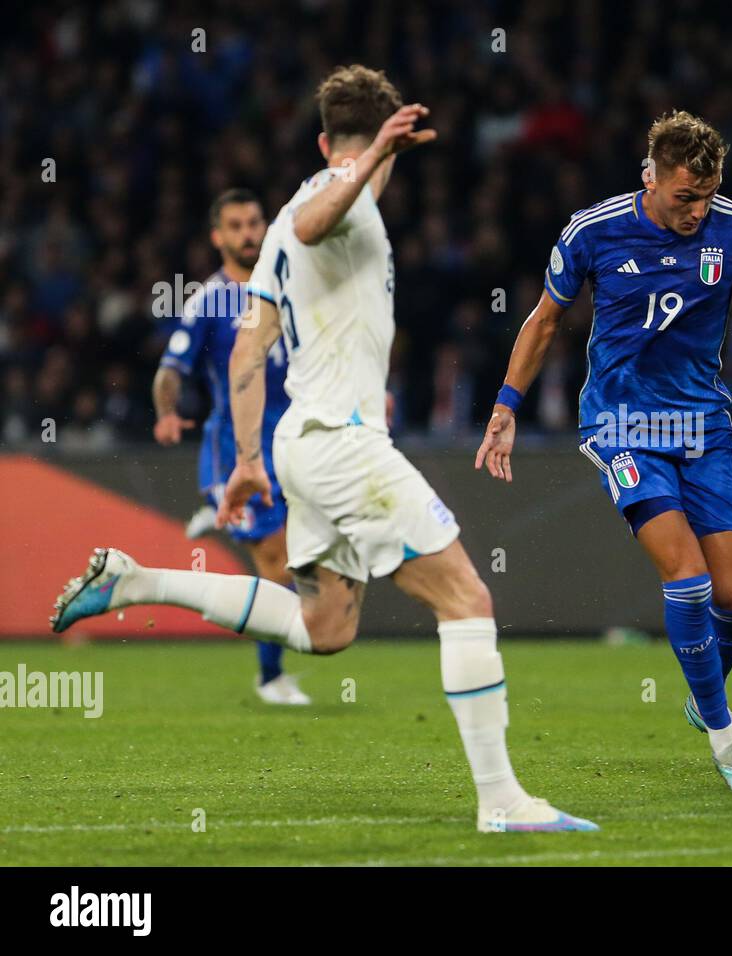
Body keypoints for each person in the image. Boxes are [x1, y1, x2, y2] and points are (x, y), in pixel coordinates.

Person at [52, 65, 595, 832]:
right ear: (367, 147)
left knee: (325, 629)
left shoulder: (275, 232)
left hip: (298, 442)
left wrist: (246, 461)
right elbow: (317, 220)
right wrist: (373, 157)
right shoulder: (325, 203)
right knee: (466, 599)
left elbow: (248, 356)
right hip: (340, 444)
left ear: (319, 135)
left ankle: (140, 584)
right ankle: (503, 802)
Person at [475, 110, 732, 791]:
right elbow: (543, 320)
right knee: (688, 578)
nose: (697, 210)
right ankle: (724, 738)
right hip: (620, 426)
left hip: (703, 428)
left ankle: (702, 697)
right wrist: (506, 406)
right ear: (649, 176)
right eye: (685, 196)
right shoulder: (592, 232)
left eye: (707, 196)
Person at [153, 188, 309, 705]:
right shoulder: (209, 299)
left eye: (254, 222)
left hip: (299, 445)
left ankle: (211, 512)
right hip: (238, 451)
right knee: (278, 562)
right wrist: (167, 411)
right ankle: (271, 677)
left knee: (303, 560)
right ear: (218, 236)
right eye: (236, 226)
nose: (248, 234)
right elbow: (170, 370)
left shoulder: (291, 285)